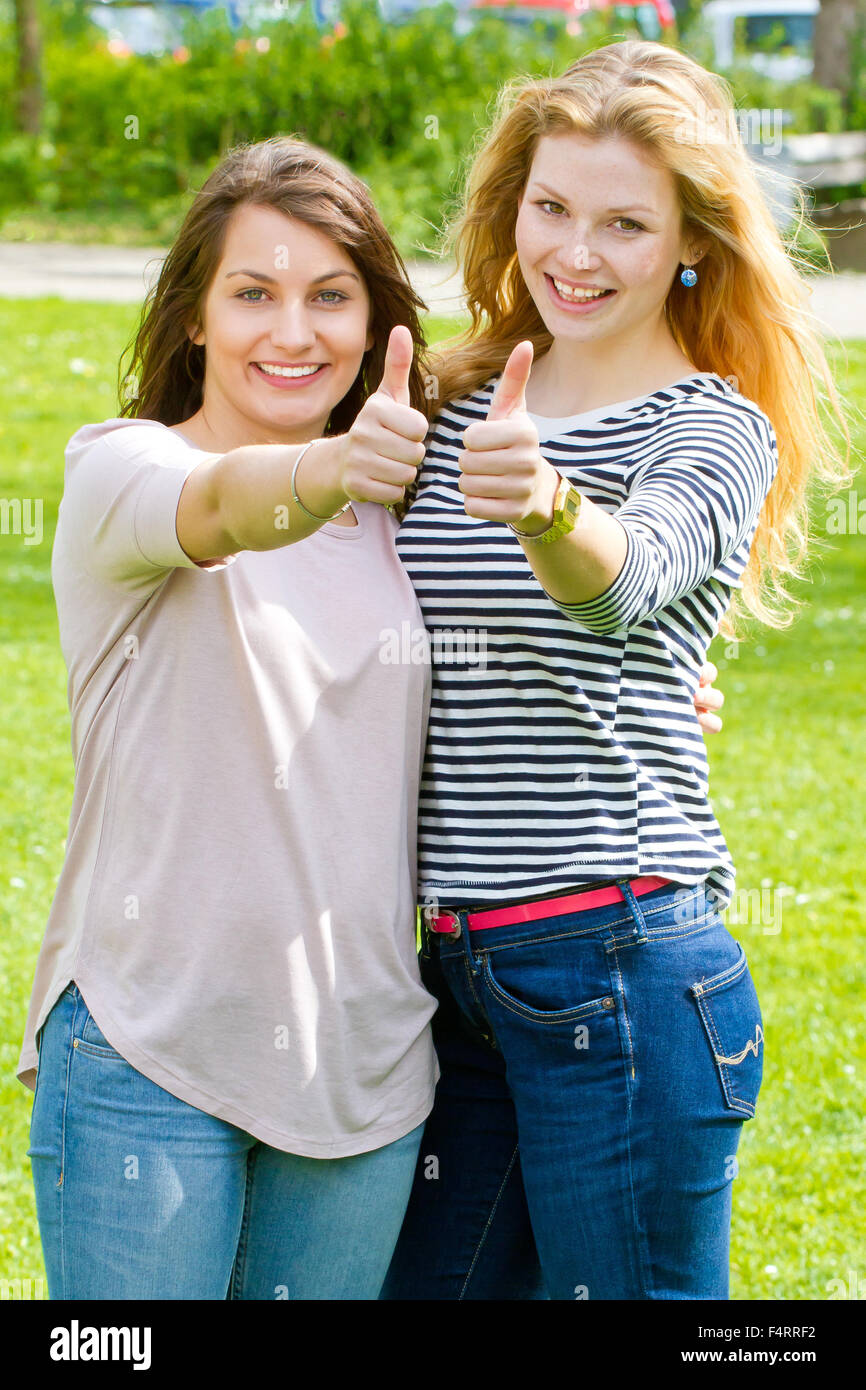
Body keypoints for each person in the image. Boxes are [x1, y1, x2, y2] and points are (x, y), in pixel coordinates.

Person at [18, 133, 726, 1300]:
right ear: (192, 318)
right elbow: (227, 504)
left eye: (329, 296)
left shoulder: (397, 521)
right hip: (150, 1050)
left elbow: (496, 648)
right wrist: (327, 469)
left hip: (366, 1081)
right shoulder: (124, 474)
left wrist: (648, 687)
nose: (292, 332)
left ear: (370, 323)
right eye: (252, 294)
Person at [380, 40, 850, 1299]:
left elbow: (627, 578)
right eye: (550, 208)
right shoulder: (450, 395)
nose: (574, 253)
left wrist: (545, 504)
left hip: (615, 959)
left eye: (624, 224)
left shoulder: (712, 426)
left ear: (691, 240)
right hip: (449, 974)